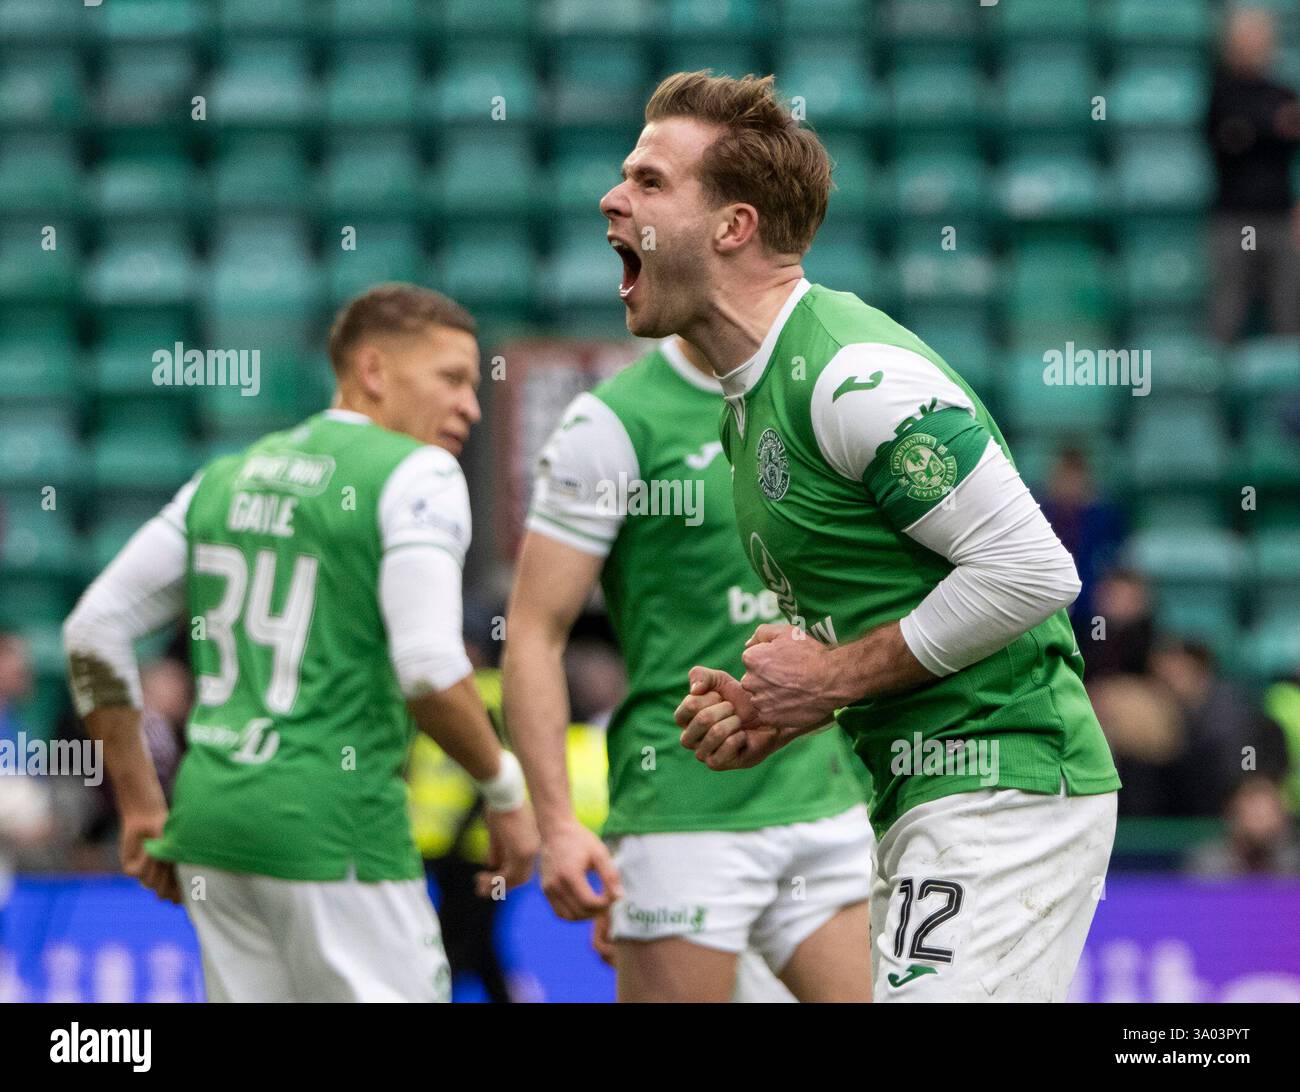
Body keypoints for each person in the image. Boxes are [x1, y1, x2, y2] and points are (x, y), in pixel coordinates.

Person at [600, 70, 1121, 1002]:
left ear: (733, 226)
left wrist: (832, 679)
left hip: (1004, 783)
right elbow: (892, 601)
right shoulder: (749, 398)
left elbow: (1032, 569)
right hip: (923, 792)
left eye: (648, 181)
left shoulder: (851, 376)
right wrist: (793, 702)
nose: (612, 197)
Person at [63, 283, 538, 1002]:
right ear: (374, 371)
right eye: (452, 379)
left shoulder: (223, 478)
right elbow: (430, 667)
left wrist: (140, 805)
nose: (471, 404)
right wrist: (505, 789)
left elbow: (93, 630)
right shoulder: (419, 474)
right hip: (334, 831)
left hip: (211, 830)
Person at [504, 332, 874, 1003]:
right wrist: (557, 824)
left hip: (824, 797)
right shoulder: (614, 421)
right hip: (682, 811)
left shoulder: (821, 389)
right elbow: (532, 632)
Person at [1207, 7, 1300, 342]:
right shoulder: (1220, 92)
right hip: (1236, 222)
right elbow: (1232, 134)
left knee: (1289, 316)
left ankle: (1290, 395)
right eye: (1247, 38)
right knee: (1227, 315)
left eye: (1262, 38)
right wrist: (1273, 125)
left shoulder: (1281, 92)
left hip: (1279, 219)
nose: (1256, 45)